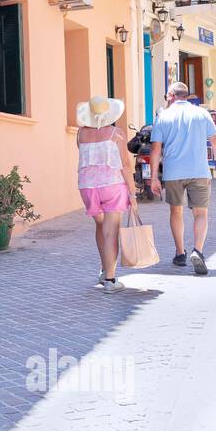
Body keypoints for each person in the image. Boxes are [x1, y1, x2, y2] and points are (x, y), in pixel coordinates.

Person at [149, 81, 216, 275]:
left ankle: (180, 253)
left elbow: (155, 149)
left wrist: (153, 178)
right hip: (199, 171)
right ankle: (198, 251)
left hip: (173, 172)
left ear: (171, 95)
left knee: (176, 211)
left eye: (167, 96)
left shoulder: (163, 116)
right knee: (201, 213)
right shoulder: (202, 114)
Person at [75, 95, 137, 293]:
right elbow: (126, 165)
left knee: (101, 227)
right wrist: (133, 194)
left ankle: (104, 269)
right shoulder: (116, 133)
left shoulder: (80, 134)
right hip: (112, 185)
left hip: (87, 186)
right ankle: (110, 279)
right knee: (111, 231)